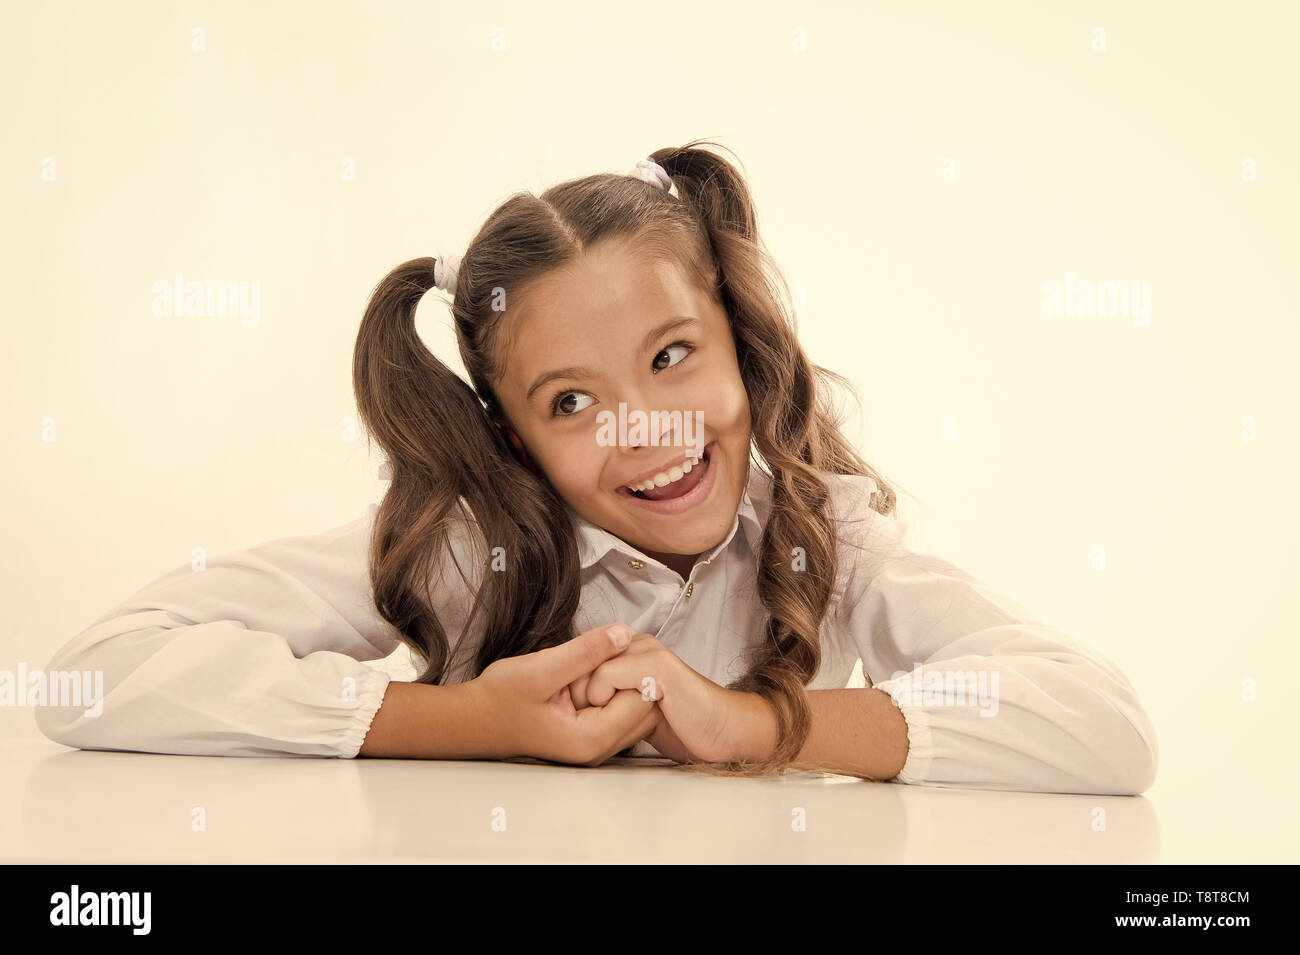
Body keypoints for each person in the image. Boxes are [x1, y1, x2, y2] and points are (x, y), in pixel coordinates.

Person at [34, 140, 1158, 793]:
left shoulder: (827, 537)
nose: (648, 429)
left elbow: (1101, 723)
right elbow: (99, 672)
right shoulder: (474, 550)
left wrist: (757, 724)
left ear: (739, 344)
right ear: (514, 434)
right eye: (573, 400)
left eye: (672, 358)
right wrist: (472, 719)